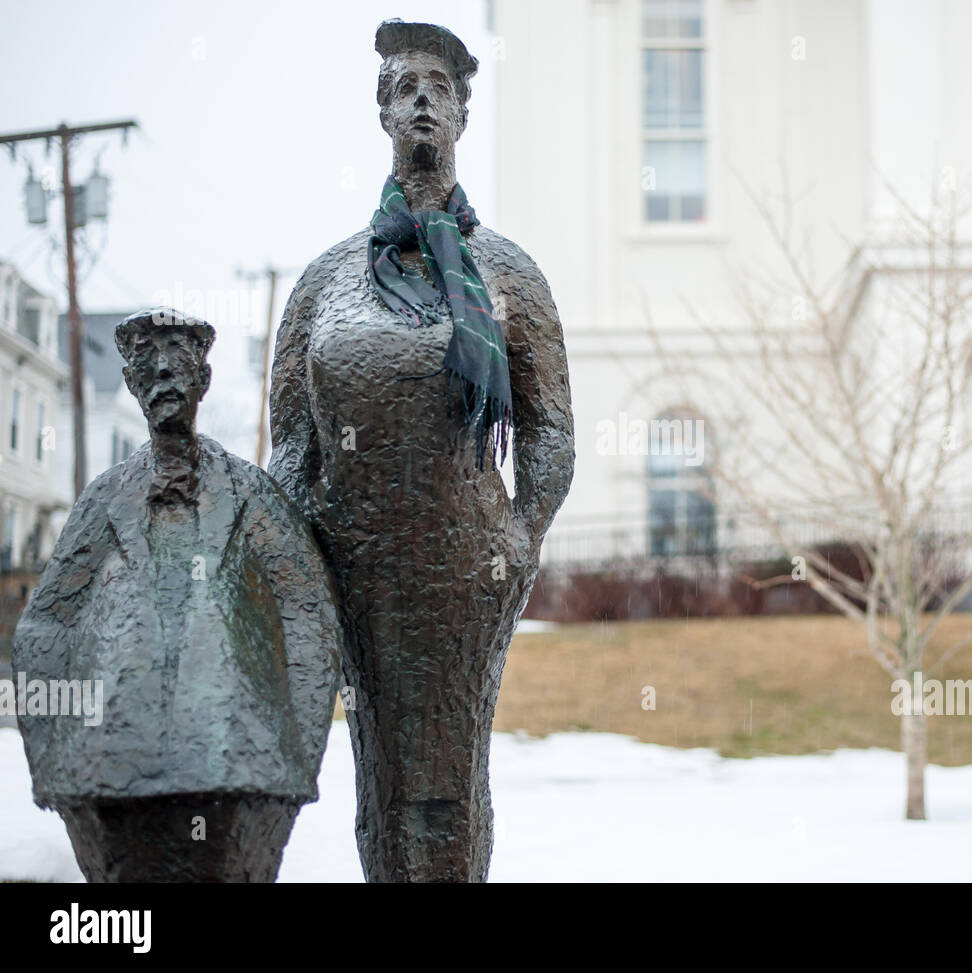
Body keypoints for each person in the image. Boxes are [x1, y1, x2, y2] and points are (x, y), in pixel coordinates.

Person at [268, 20, 575, 882]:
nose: (423, 105)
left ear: (462, 116)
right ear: (384, 114)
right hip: (355, 566)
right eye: (406, 89)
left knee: (445, 777)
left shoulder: (505, 273)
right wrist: (302, 559)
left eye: (439, 90)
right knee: (379, 775)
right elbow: (290, 444)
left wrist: (519, 539)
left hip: (462, 566)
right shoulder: (327, 282)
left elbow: (551, 433)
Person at [14, 307, 342, 882]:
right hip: (116, 776)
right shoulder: (103, 499)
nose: (164, 373)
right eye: (148, 363)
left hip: (237, 775)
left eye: (178, 361)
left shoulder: (254, 495)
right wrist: (53, 758)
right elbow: (47, 625)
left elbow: (308, 611)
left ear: (204, 380)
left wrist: (295, 752)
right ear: (130, 384)